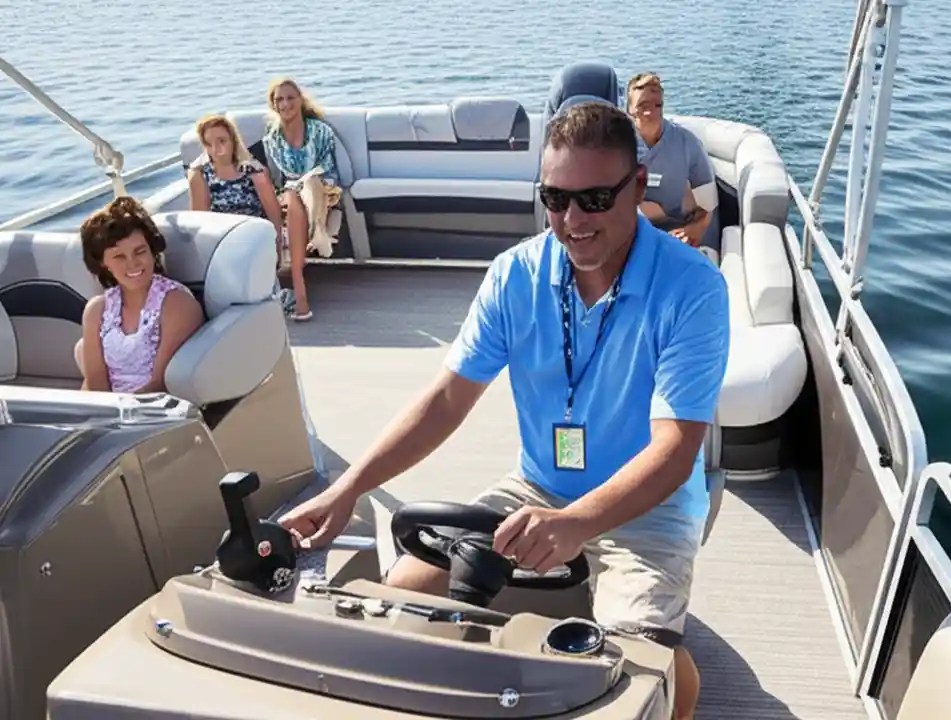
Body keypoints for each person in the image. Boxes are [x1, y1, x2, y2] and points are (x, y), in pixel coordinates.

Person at [278, 101, 731, 720]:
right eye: (556, 198)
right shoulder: (513, 274)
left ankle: (685, 683)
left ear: (640, 187)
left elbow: (675, 451)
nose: (572, 220)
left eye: (596, 199)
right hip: (537, 485)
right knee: (400, 604)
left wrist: (576, 523)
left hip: (646, 510)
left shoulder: (694, 289)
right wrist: (348, 489)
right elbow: (444, 401)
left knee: (639, 675)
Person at [77, 196, 205, 394]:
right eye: (119, 256)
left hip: (156, 413)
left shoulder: (177, 304)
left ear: (152, 250)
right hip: (111, 413)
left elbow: (161, 385)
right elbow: (95, 384)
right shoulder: (96, 310)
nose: (133, 263)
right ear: (103, 263)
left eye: (140, 251)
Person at [261, 77, 343, 322]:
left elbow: (327, 166)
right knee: (293, 200)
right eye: (279, 100)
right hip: (291, 190)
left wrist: (302, 182)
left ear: (300, 100)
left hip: (322, 185)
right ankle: (301, 283)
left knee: (309, 183)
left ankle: (301, 291)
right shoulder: (272, 136)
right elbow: (279, 174)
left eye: (290, 98)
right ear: (274, 105)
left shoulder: (320, 130)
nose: (285, 104)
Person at [627, 72, 720, 253]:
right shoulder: (616, 146)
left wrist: (691, 231)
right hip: (627, 230)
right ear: (630, 110)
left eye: (657, 105)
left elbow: (708, 206)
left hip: (674, 230)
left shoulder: (688, 144)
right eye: (642, 105)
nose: (650, 112)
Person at [188, 114, 284, 246]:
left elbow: (273, 213)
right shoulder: (200, 174)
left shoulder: (253, 170)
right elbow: (200, 221)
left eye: (222, 141)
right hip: (223, 240)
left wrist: (277, 243)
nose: (216, 149)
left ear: (233, 141)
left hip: (255, 237)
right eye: (209, 144)